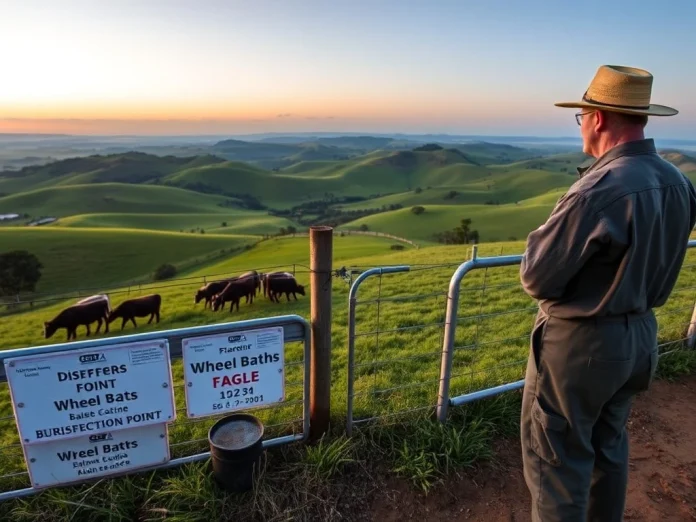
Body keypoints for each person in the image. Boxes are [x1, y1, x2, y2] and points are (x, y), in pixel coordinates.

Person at [518, 64, 696, 521]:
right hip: (640, 337)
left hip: (582, 346)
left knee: (556, 463)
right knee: (609, 448)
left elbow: (536, 276)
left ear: (597, 117)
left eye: (581, 117)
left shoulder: (596, 190)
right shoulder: (679, 182)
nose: (581, 126)